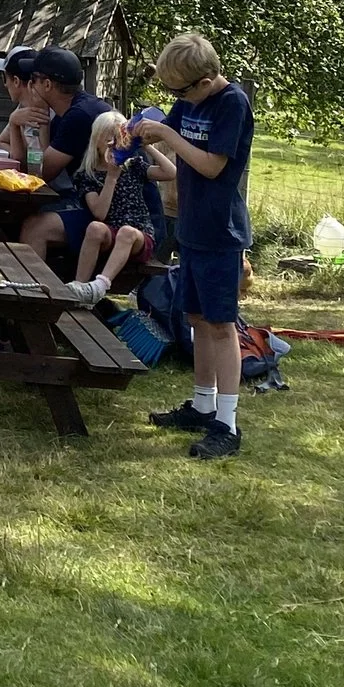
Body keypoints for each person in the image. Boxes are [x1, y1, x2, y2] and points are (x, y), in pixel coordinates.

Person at [130, 33, 255, 460]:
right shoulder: (189, 100)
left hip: (221, 232)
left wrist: (166, 131)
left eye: (178, 92)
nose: (175, 100)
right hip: (192, 230)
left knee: (221, 326)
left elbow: (209, 164)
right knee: (196, 318)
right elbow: (168, 134)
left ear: (205, 81)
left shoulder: (231, 104)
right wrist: (138, 136)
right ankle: (202, 405)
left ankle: (227, 423)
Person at [11, 46, 109, 265]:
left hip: (118, 213)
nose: (30, 85)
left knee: (34, 227)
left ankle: (29, 294)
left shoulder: (79, 117)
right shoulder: (76, 110)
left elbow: (41, 175)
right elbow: (41, 169)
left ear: (47, 85)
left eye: (33, 79)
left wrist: (18, 123)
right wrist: (36, 121)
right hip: (96, 202)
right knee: (19, 216)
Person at [71, 111, 167, 305]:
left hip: (139, 235)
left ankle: (100, 285)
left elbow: (169, 172)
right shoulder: (88, 174)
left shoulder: (133, 165)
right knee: (94, 228)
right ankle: (79, 287)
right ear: (96, 142)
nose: (112, 145)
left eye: (118, 139)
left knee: (127, 232)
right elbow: (99, 213)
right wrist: (111, 178)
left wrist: (146, 146)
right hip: (111, 229)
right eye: (107, 140)